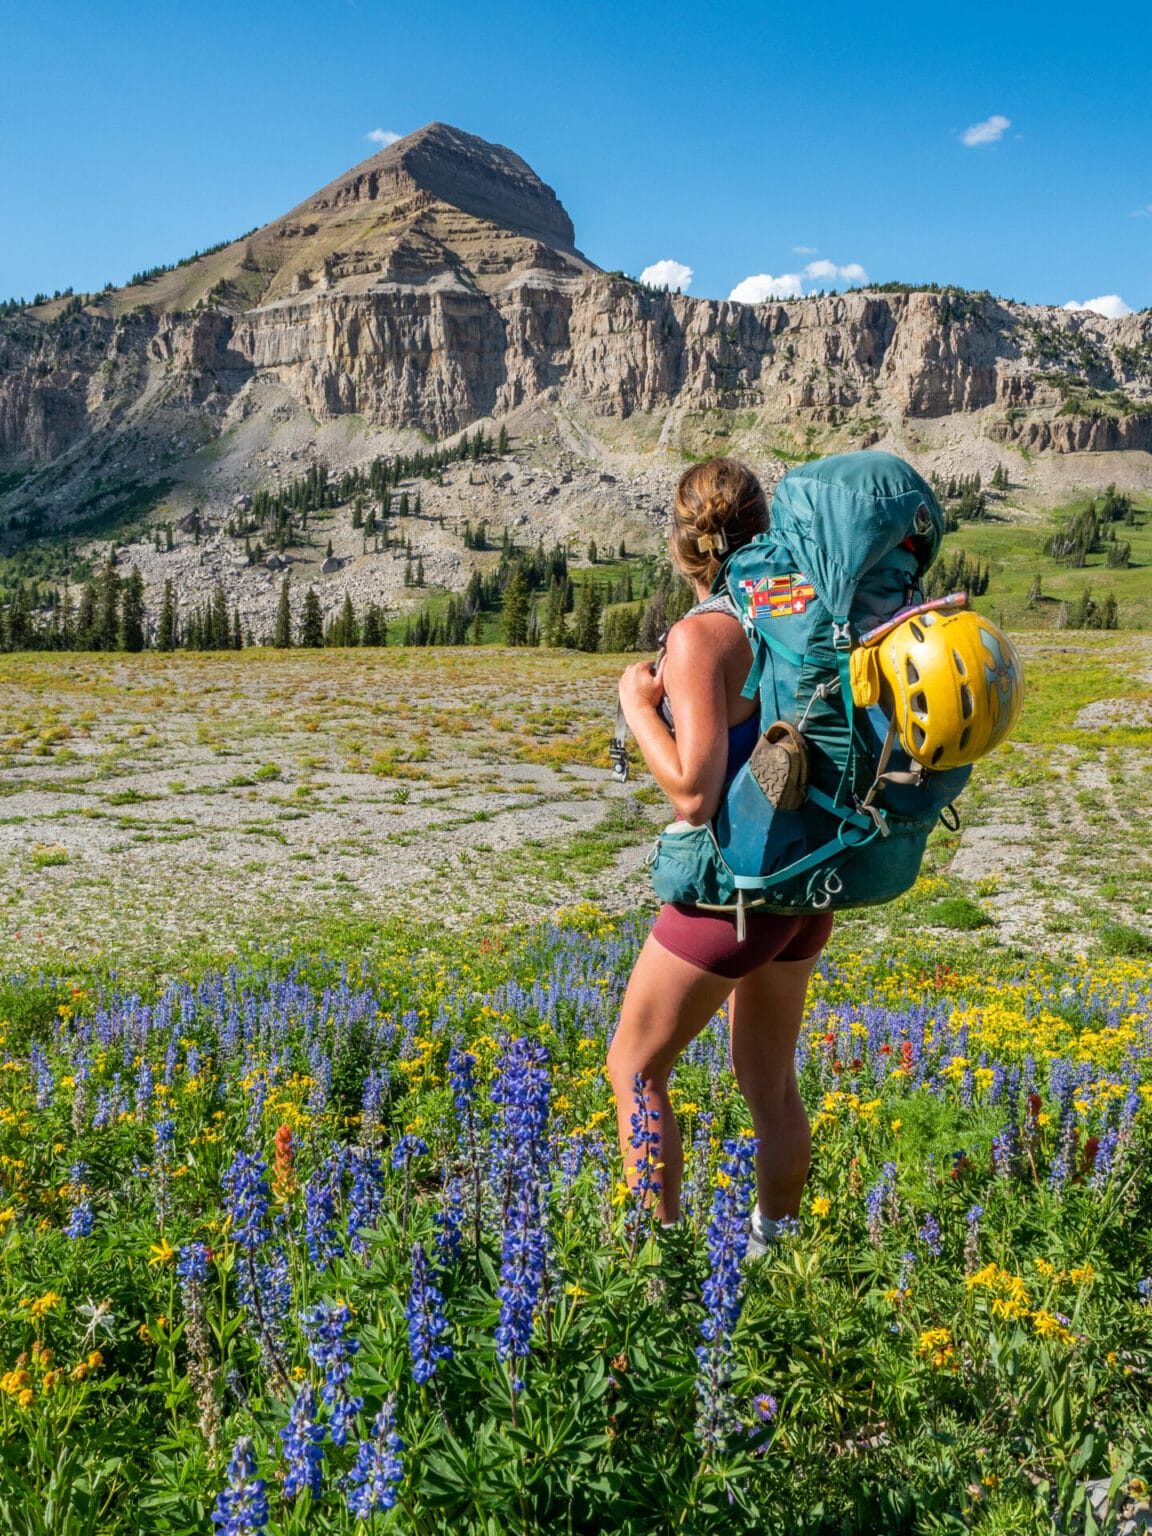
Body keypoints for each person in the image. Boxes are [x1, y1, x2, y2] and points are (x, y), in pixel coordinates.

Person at [606, 458, 833, 1257]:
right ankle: (776, 1257)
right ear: (763, 531)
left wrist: (639, 708)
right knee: (767, 1082)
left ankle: (662, 1272)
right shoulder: (792, 609)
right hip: (806, 881)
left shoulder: (702, 636)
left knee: (635, 1064)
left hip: (734, 892)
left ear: (681, 544)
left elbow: (694, 796)